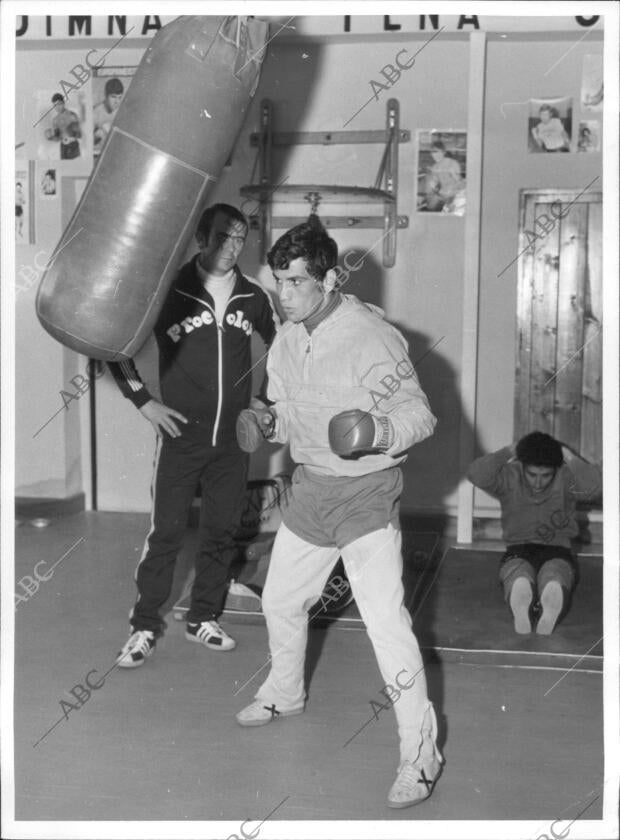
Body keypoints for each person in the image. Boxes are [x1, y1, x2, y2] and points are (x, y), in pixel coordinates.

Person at [234, 216, 443, 809]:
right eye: (279, 282)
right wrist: (267, 420)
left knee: (386, 625)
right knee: (280, 600)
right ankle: (285, 692)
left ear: (328, 280)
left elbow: (420, 415)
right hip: (311, 491)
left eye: (296, 282)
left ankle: (421, 755)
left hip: (365, 495)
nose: (284, 294)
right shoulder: (287, 337)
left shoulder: (372, 337)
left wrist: (378, 430)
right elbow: (287, 410)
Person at [109, 203, 278, 667]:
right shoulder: (169, 289)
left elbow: (283, 343)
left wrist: (265, 400)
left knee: (221, 531)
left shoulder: (253, 295)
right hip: (181, 437)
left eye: (239, 238)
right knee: (166, 532)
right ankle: (144, 626)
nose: (231, 247)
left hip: (232, 442)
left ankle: (203, 617)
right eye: (222, 237)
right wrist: (144, 401)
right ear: (201, 239)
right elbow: (114, 343)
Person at [467, 432, 602, 635]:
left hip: (558, 549)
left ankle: (552, 593)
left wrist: (567, 455)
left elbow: (595, 487)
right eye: (532, 475)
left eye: (545, 475)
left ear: (556, 469)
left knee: (556, 571)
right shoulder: (510, 475)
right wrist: (509, 451)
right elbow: (476, 474)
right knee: (516, 572)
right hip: (519, 549)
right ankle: (521, 594)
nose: (538, 483)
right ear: (522, 466)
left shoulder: (566, 476)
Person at [423, 140, 462, 211]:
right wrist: (433, 185)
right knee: (430, 205)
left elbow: (459, 182)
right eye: (432, 152)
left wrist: (453, 175)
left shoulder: (453, 163)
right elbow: (435, 186)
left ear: (443, 152)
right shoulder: (434, 167)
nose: (434, 155)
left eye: (437, 152)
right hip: (442, 197)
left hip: (454, 197)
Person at [45, 93, 82, 160]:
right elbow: (58, 138)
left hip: (73, 146)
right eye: (55, 105)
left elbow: (79, 134)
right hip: (63, 148)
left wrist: (71, 137)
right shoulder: (55, 120)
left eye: (59, 104)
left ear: (63, 103)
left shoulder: (72, 116)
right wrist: (50, 137)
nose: (57, 107)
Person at [93, 78, 124, 156]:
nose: (116, 102)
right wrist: (97, 135)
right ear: (106, 96)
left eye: (119, 97)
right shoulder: (95, 113)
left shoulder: (121, 112)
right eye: (113, 97)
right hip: (98, 155)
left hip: (116, 154)